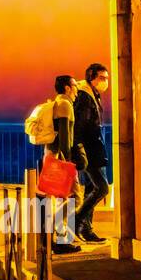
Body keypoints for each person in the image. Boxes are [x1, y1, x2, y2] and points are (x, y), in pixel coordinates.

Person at [73, 62, 111, 244]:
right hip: (90, 150)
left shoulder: (92, 94)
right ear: (91, 78)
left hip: (93, 149)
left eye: (107, 78)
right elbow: (81, 126)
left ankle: (86, 229)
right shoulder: (85, 96)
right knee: (102, 188)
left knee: (91, 188)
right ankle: (77, 219)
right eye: (102, 78)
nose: (105, 82)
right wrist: (80, 150)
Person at [48, 74, 81, 254]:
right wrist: (69, 165)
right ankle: (54, 235)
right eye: (74, 86)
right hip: (61, 159)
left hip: (53, 157)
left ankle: (57, 238)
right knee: (73, 197)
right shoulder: (65, 105)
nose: (76, 89)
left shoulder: (57, 102)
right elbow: (65, 138)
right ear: (67, 88)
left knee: (62, 199)